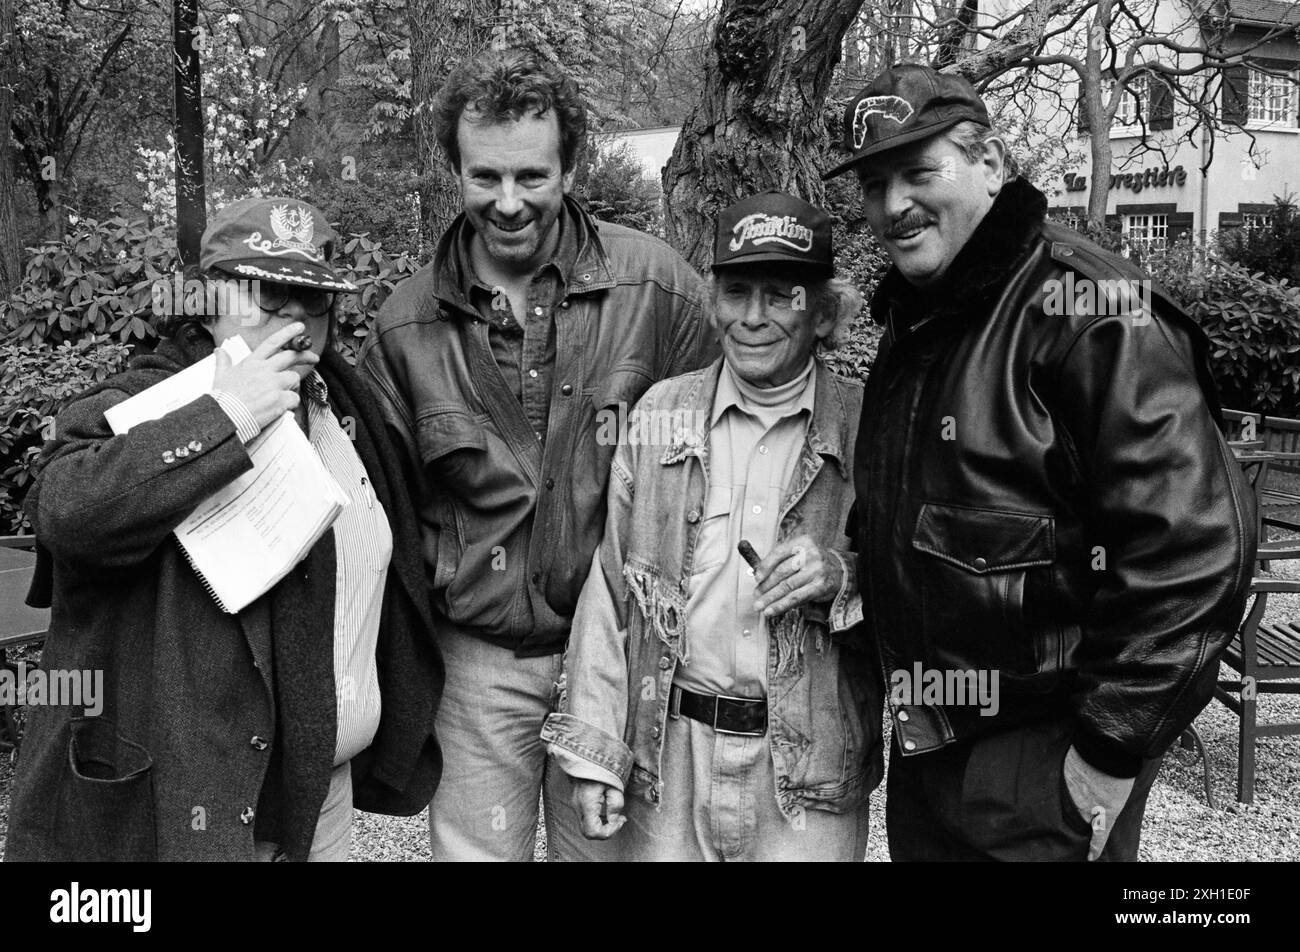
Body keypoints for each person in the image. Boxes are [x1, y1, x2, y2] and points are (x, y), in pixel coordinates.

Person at [822, 63, 1256, 861]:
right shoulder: (916, 316)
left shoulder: (1091, 308)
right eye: (873, 184)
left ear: (989, 164)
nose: (892, 206)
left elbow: (1198, 549)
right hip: (930, 746)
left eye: (919, 172)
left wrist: (1108, 750)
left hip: (1043, 758)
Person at [359, 48, 717, 862]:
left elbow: (723, 455)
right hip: (479, 669)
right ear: (454, 169)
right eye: (485, 177)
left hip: (620, 658)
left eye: (532, 176)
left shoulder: (657, 289)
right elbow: (376, 515)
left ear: (570, 165)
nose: (508, 202)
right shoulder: (405, 326)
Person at [6, 197, 443, 862]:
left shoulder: (345, 407)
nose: (296, 318)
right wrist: (227, 413)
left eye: (314, 300)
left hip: (316, 794)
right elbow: (66, 511)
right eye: (269, 296)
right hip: (204, 799)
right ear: (209, 301)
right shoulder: (141, 399)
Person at [541, 193, 881, 861]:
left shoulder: (867, 426)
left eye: (781, 295)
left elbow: (919, 588)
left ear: (823, 312)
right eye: (735, 291)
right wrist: (596, 753)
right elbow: (611, 591)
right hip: (669, 762)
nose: (753, 317)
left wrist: (842, 575)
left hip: (806, 776)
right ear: (712, 299)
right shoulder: (661, 412)